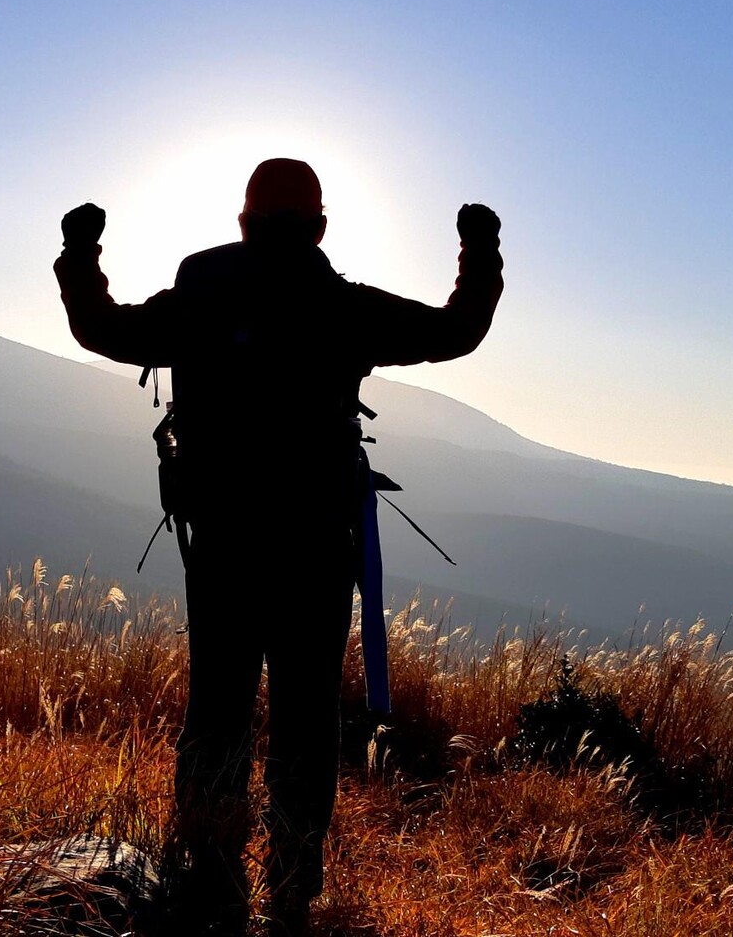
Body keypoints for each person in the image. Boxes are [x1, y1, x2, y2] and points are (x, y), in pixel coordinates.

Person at [54, 158, 503, 935]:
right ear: (319, 226)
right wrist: (479, 251)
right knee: (304, 721)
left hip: (223, 542)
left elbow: (105, 329)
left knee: (217, 713)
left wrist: (80, 255)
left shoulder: (198, 295)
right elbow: (453, 332)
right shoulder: (340, 306)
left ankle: (209, 879)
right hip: (315, 546)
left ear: (243, 222)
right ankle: (291, 894)